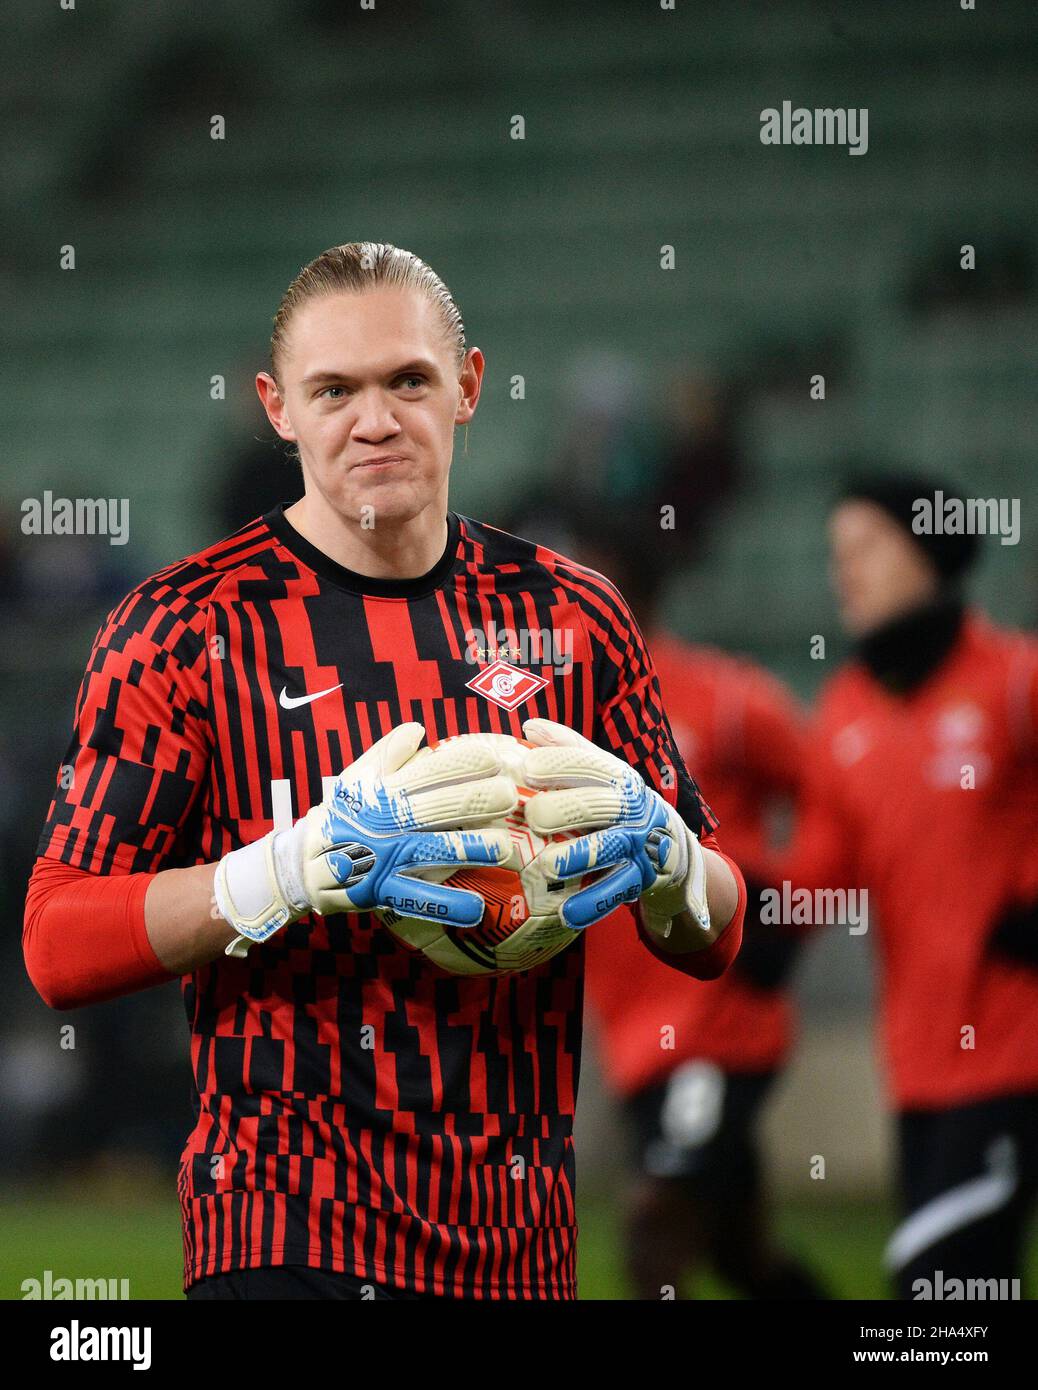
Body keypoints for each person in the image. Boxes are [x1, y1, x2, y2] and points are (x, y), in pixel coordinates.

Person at [23, 242, 746, 1302]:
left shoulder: (573, 616)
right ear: (277, 407)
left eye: (409, 379)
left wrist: (669, 854)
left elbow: (715, 934)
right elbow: (57, 939)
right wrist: (285, 871)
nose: (375, 420)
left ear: (468, 386)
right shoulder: (180, 628)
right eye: (334, 390)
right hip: (281, 1225)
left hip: (520, 1247)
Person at [786, 475, 1038, 1299]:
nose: (844, 571)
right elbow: (815, 880)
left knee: (935, 1290)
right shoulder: (844, 712)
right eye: (836, 554)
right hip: (917, 1068)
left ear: (928, 552)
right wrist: (699, 873)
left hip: (1016, 1057)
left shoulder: (1015, 682)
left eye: (865, 547)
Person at [576, 541, 824, 1299]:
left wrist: (783, 906)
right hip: (631, 1032)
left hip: (714, 1024)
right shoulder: (544, 715)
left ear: (632, 601)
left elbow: (834, 793)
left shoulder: (723, 697)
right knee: (740, 1256)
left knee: (657, 1218)